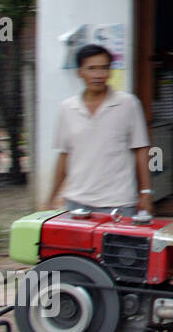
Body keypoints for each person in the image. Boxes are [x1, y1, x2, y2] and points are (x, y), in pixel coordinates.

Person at [47, 44, 153, 218]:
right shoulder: (67, 108)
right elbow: (64, 156)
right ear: (79, 72)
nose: (98, 75)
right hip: (77, 203)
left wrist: (146, 192)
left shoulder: (128, 104)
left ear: (110, 72)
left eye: (104, 68)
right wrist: (51, 198)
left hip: (119, 203)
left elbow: (141, 149)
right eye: (91, 69)